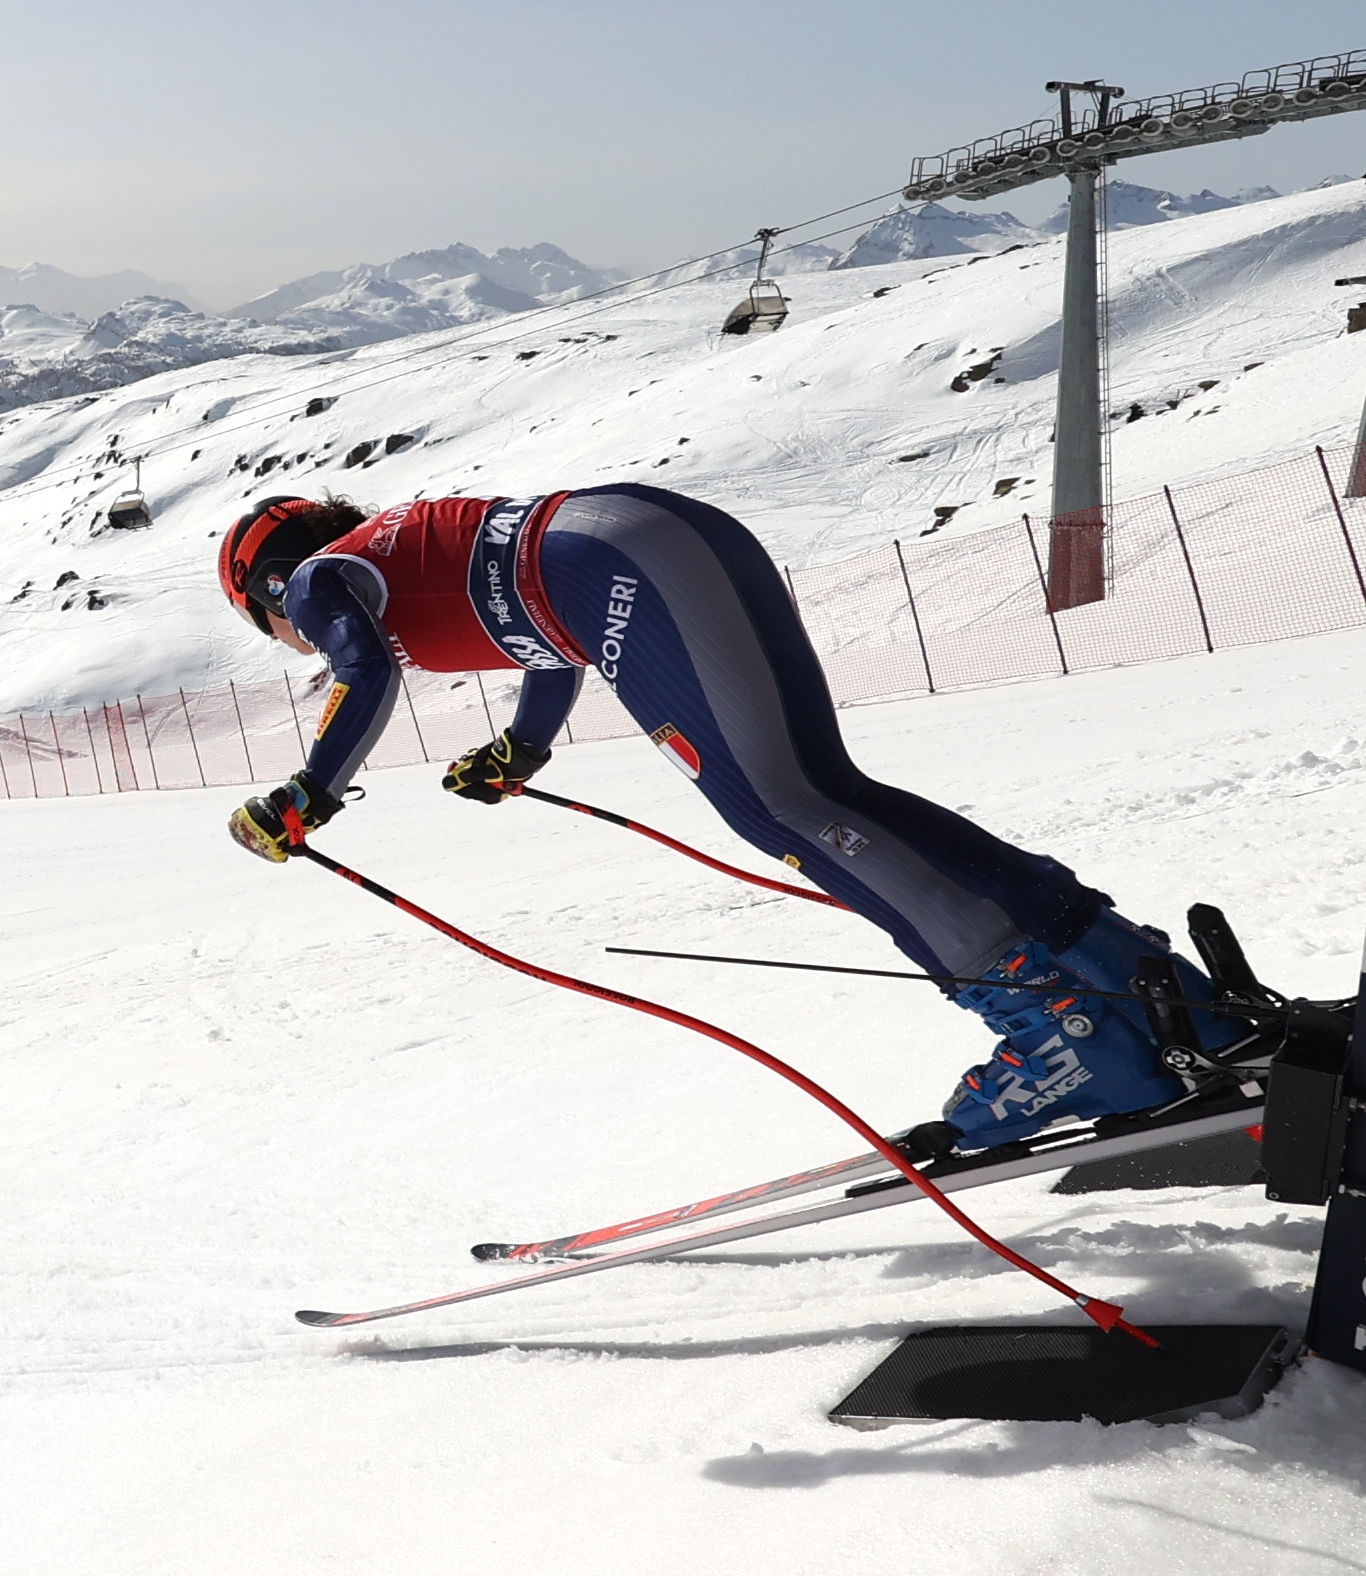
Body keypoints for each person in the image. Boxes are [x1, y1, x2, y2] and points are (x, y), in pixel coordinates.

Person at [212, 487, 1230, 1152]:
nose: (287, 634)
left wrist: (307, 793)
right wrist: (522, 747)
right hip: (656, 537)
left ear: (265, 589)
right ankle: (1134, 984)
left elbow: (359, 668)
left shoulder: (312, 580)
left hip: (616, 571)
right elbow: (543, 641)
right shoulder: (392, 551)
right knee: (825, 790)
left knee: (783, 805)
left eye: (269, 626)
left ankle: (1064, 1027)